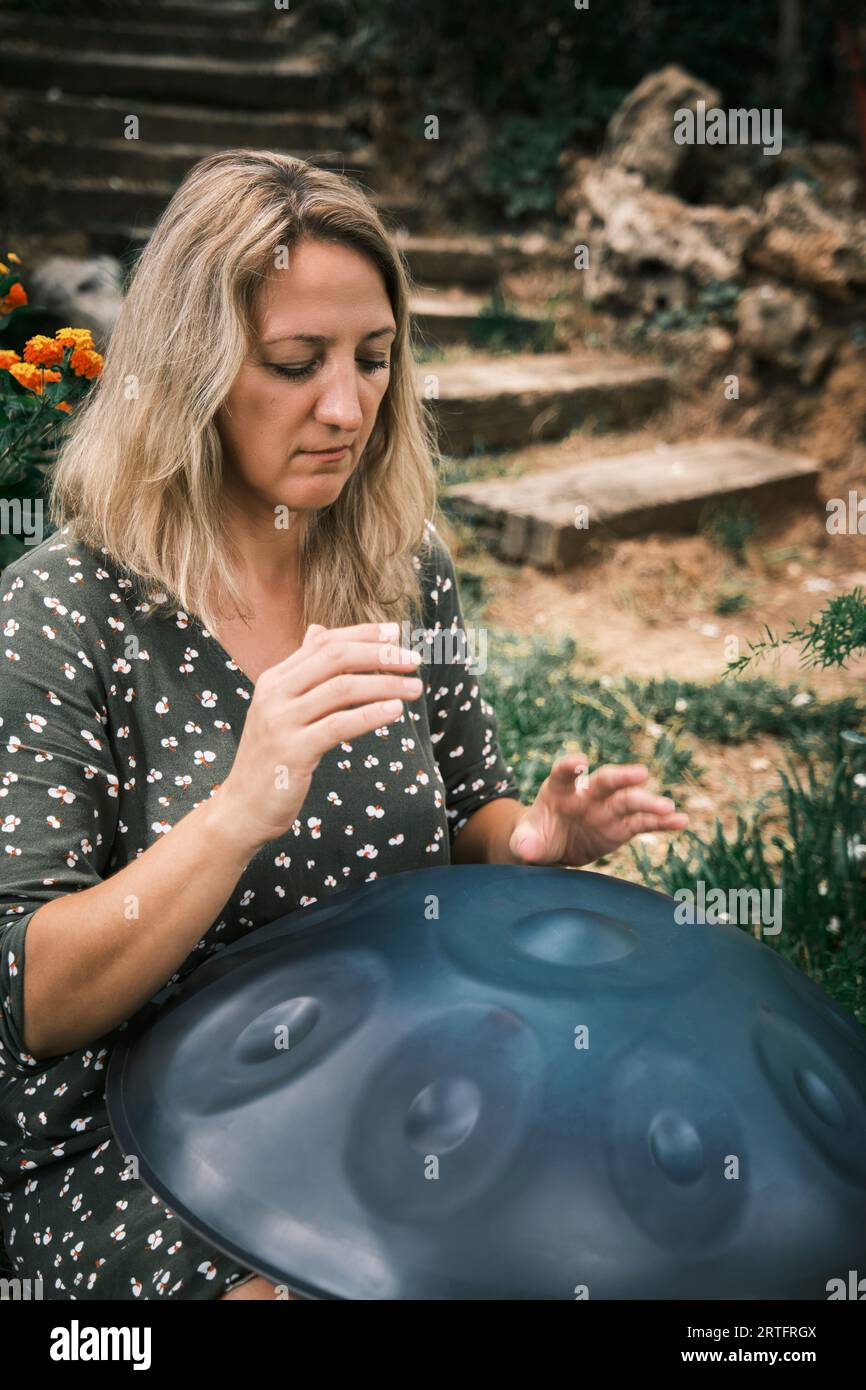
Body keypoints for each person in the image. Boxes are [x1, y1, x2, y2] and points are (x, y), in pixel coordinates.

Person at [0, 150, 688, 1301]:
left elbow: (472, 804)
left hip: (390, 1089)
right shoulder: (63, 611)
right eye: (293, 363)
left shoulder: (395, 562)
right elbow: (34, 999)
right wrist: (234, 814)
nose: (346, 406)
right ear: (191, 368)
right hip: (147, 1140)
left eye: (373, 360)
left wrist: (528, 843)